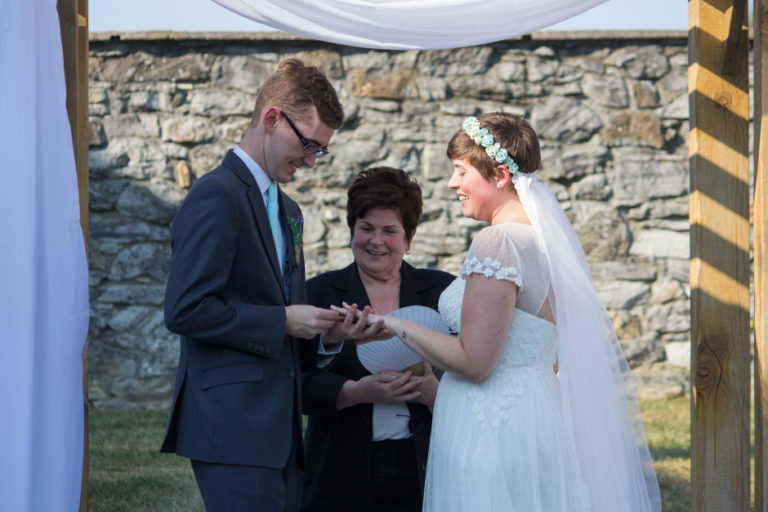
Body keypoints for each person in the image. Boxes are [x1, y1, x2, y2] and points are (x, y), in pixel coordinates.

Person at [364, 113, 662, 511]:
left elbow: (474, 361)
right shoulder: (544, 243)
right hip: (534, 414)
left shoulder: (497, 243)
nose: (453, 184)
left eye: (460, 171)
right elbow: (547, 353)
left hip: (490, 426)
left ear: (500, 175)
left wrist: (392, 323)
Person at [160, 58, 384, 512]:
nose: (311, 161)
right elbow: (184, 309)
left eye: (321, 150)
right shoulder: (216, 194)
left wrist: (327, 335)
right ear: (270, 119)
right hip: (232, 429)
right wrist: (282, 320)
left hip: (281, 432)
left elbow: (284, 316)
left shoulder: (290, 212)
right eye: (308, 145)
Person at [300, 167, 455, 512]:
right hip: (341, 469)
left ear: (410, 237)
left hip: (427, 465)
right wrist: (354, 392)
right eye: (366, 228)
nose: (376, 241)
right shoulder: (318, 292)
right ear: (351, 229)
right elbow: (296, 385)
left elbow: (474, 378)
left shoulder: (443, 292)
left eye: (390, 231)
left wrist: (434, 394)